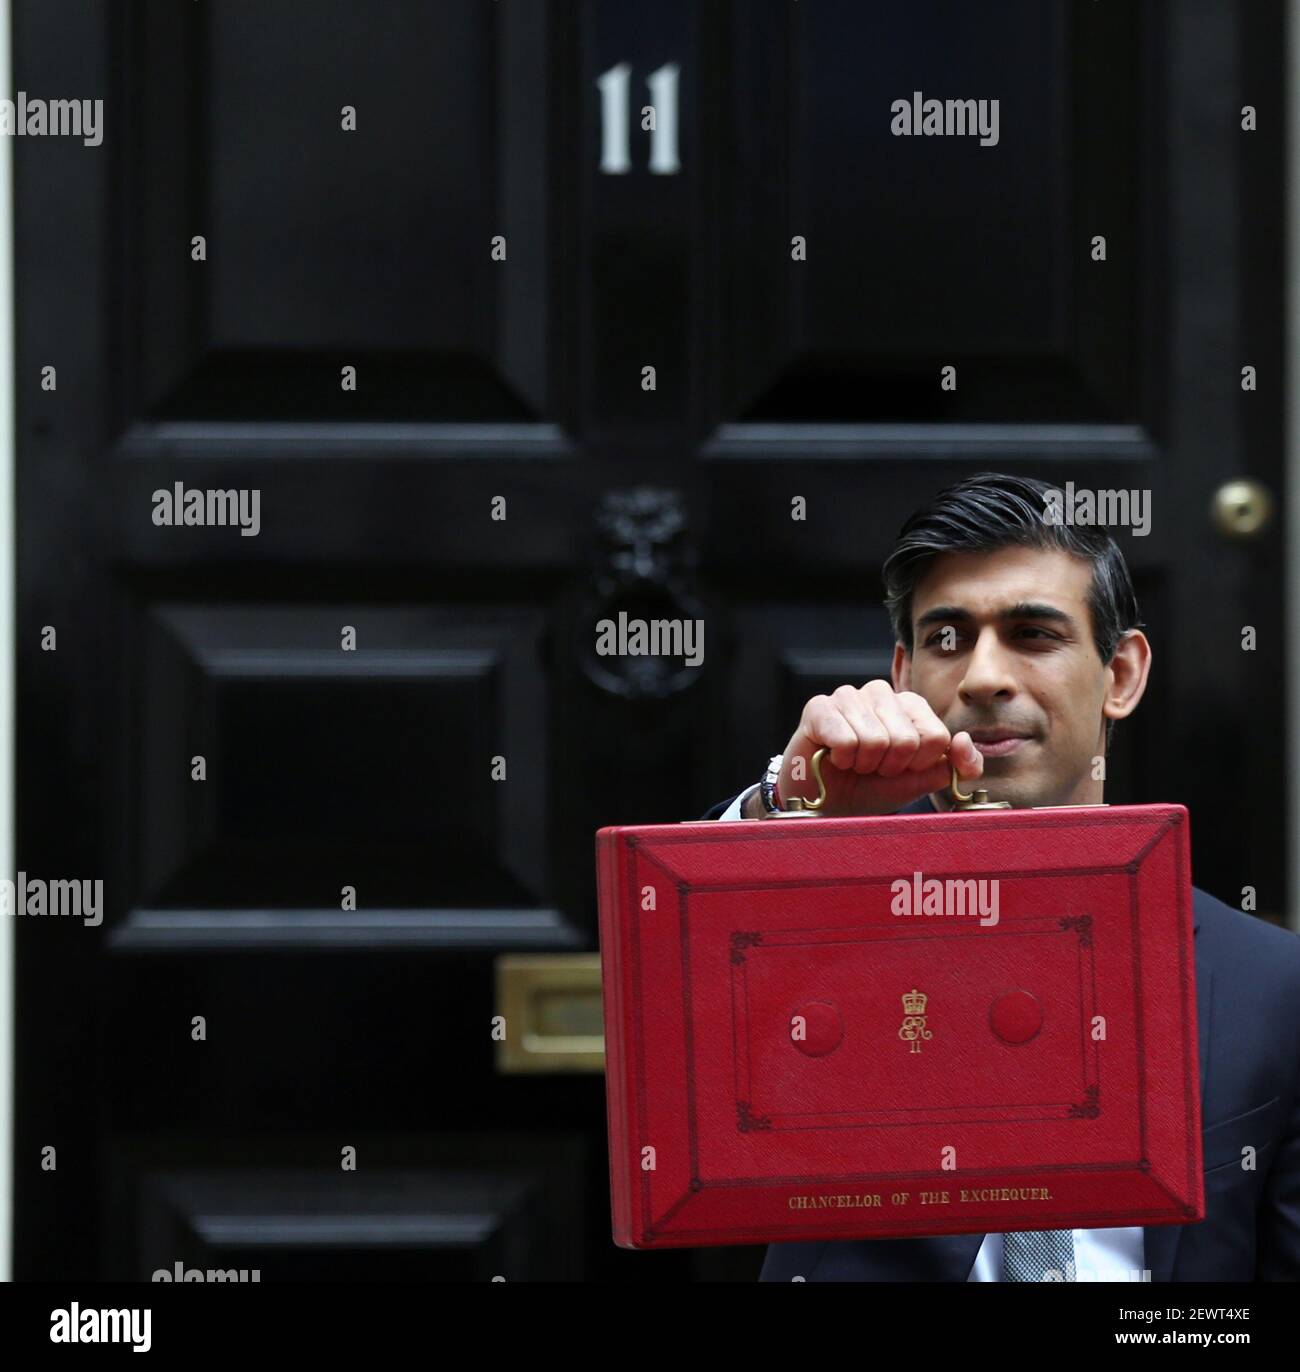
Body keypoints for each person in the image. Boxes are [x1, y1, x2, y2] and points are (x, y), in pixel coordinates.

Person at [702, 472, 1300, 1281]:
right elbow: (664, 1015)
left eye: (1032, 633)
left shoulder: (1269, 985)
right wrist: (788, 811)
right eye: (948, 638)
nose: (983, 675)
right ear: (905, 673)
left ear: (1120, 674)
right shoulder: (813, 926)